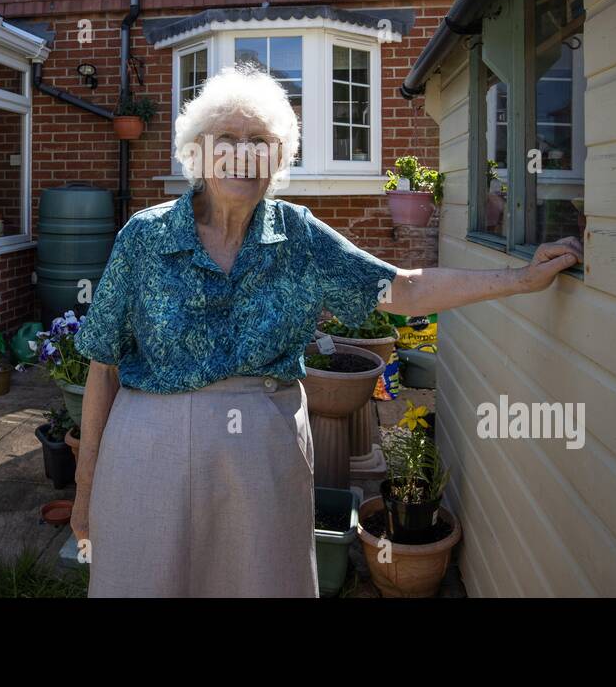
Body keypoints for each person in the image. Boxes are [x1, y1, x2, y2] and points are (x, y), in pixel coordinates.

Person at [70, 66, 582, 597]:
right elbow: (102, 365)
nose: (243, 153)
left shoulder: (300, 238)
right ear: (198, 153)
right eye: (226, 139)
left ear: (279, 157)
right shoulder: (145, 238)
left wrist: (519, 279)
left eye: (260, 141)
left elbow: (401, 289)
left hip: (261, 457)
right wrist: (85, 493)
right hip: (148, 452)